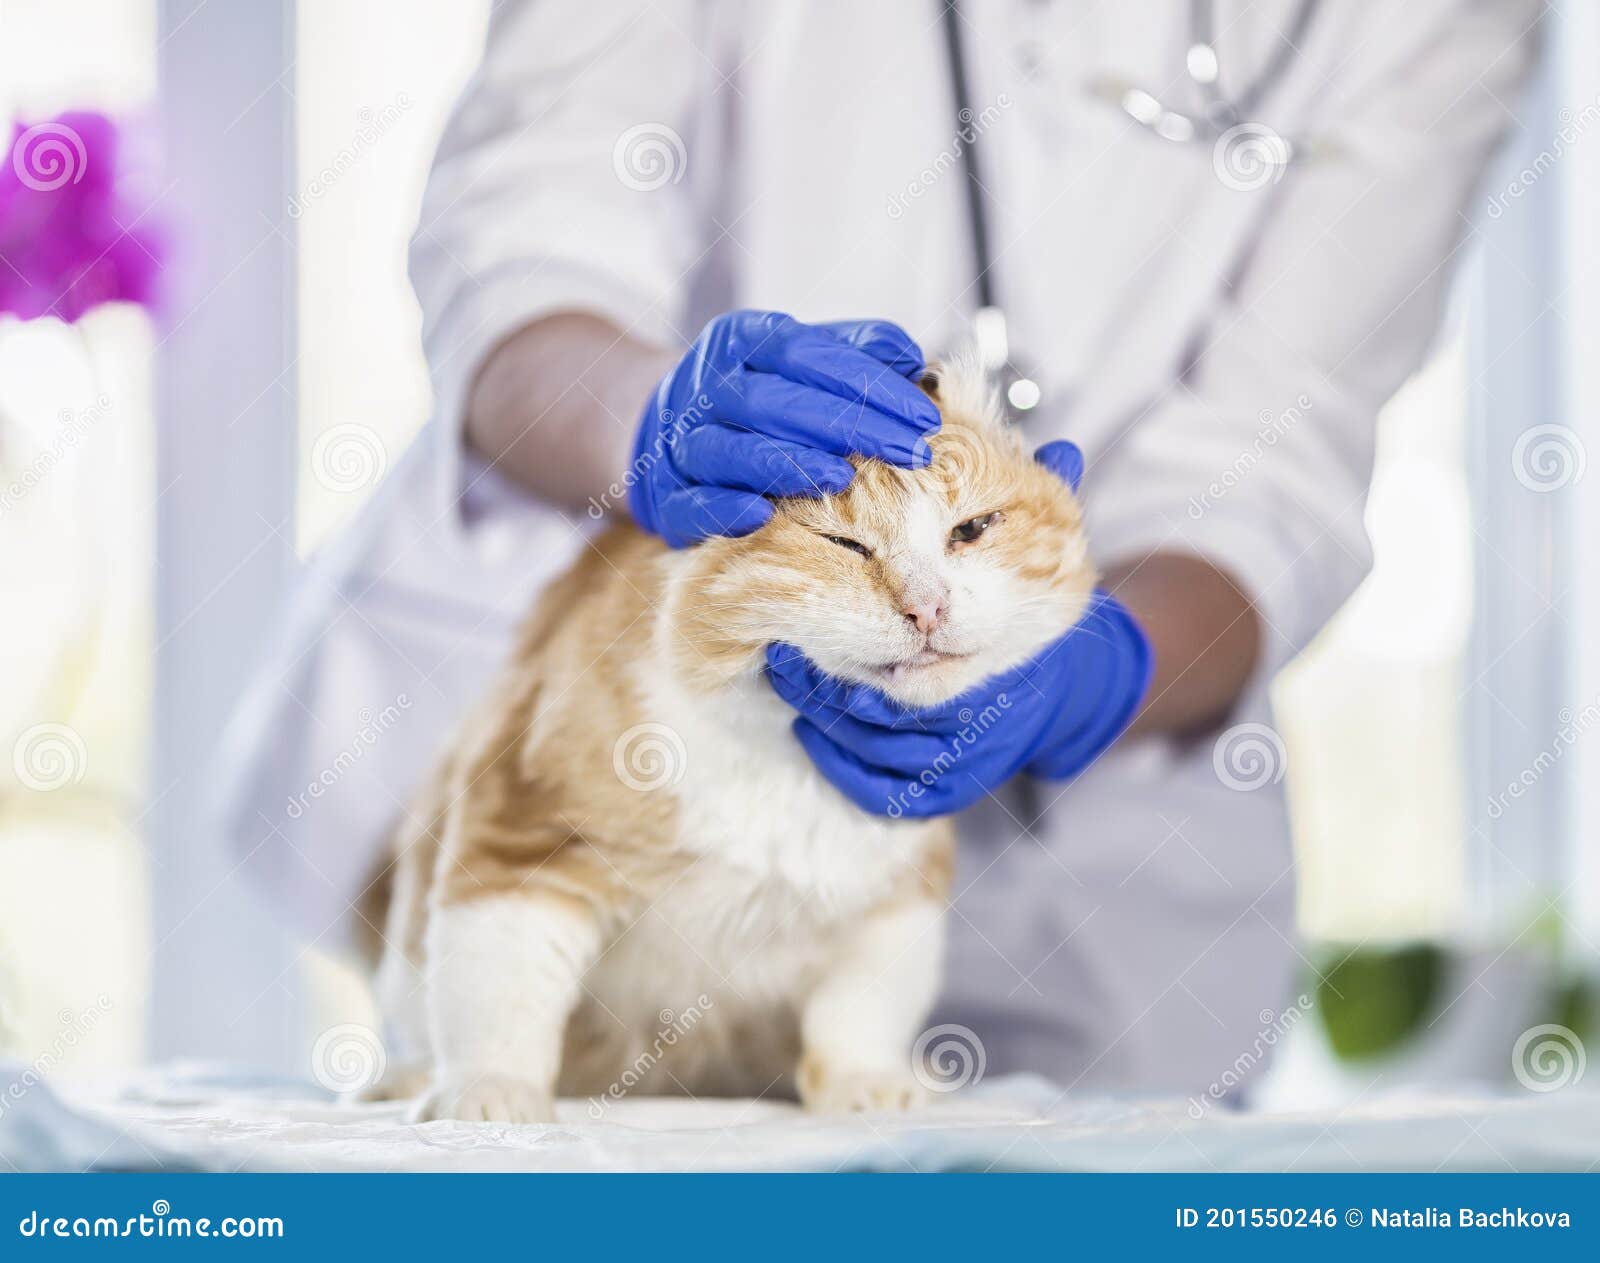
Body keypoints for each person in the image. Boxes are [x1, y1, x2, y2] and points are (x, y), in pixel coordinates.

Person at [218, 0, 1539, 1094]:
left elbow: (1268, 464)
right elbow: (524, 232)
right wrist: (652, 424)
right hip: (608, 791)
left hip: (1089, 922)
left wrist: (1102, 671)